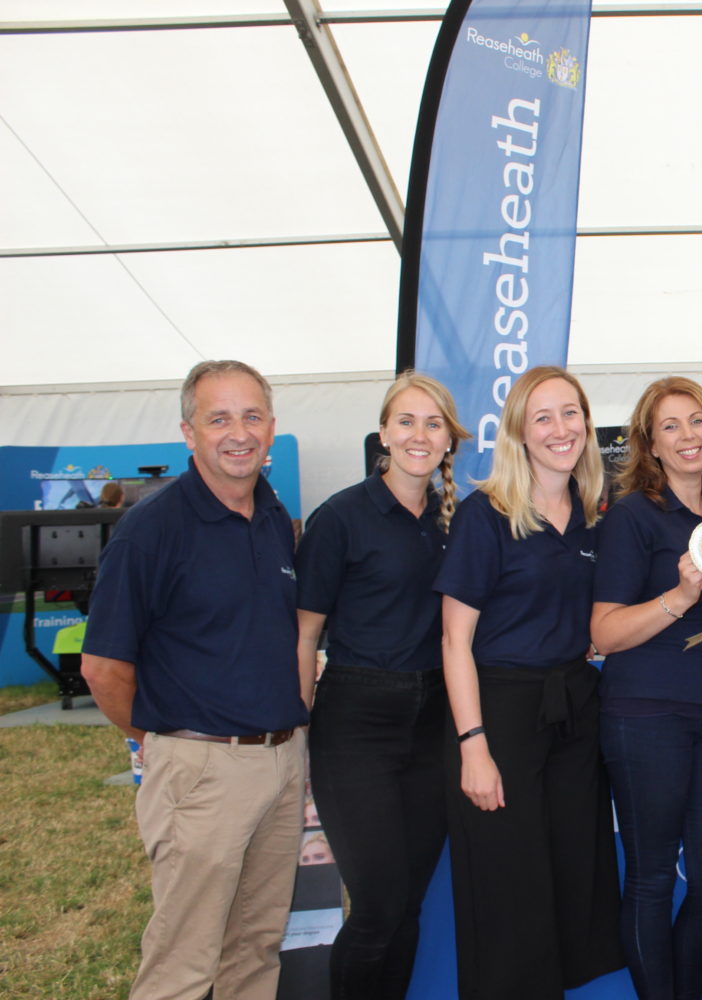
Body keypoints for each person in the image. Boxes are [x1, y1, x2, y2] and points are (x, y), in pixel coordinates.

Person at [80, 359, 309, 1000]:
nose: (238, 433)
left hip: (282, 761)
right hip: (201, 767)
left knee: (256, 952)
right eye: (219, 419)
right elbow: (101, 667)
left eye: (252, 416)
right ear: (188, 433)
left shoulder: (272, 517)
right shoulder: (151, 531)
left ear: (270, 429)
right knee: (183, 964)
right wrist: (165, 739)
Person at [433, 365, 624, 998]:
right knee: (509, 890)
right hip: (503, 715)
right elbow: (454, 640)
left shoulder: (593, 519)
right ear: (517, 431)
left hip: (574, 714)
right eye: (543, 416)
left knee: (572, 880)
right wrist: (473, 744)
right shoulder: (487, 517)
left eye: (571, 413)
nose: (560, 428)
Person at [294, 372, 471, 999]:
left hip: (431, 728)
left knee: (407, 909)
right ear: (383, 434)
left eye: (433, 424)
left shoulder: (454, 521)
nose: (419, 435)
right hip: (356, 724)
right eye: (406, 421)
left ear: (450, 440)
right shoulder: (341, 517)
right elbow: (304, 635)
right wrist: (298, 732)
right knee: (376, 908)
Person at [591, 376, 702, 999]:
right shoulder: (631, 517)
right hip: (642, 717)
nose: (687, 436)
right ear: (650, 446)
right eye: (670, 427)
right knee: (653, 880)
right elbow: (603, 633)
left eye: (696, 422)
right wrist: (678, 597)